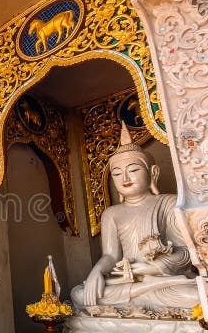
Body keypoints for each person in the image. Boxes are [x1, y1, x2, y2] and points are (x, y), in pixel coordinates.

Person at [71, 122, 199, 311]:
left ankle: (147, 288)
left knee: (195, 295)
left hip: (164, 279)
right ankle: (144, 289)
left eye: (133, 170)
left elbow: (186, 252)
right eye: (116, 174)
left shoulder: (168, 203)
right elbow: (110, 255)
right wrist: (96, 272)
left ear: (153, 172)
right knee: (79, 294)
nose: (125, 179)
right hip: (126, 282)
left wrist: (153, 268)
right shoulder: (111, 214)